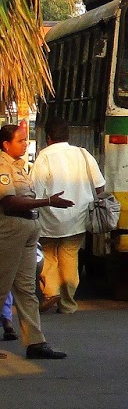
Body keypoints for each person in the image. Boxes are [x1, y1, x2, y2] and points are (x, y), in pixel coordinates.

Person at [0, 122, 69, 360]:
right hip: (10, 227)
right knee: (2, 285)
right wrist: (47, 201)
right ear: (5, 144)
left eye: (25, 140)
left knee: (27, 289)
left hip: (28, 227)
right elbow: (9, 202)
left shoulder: (20, 166)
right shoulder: (3, 166)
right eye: (20, 141)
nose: (25, 144)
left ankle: (35, 342)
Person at [31, 117, 107, 314]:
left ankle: (51, 291)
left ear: (48, 137)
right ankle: (68, 304)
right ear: (68, 135)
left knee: (49, 256)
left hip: (49, 220)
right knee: (70, 257)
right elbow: (100, 186)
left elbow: (35, 192)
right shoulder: (83, 154)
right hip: (77, 218)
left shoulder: (43, 158)